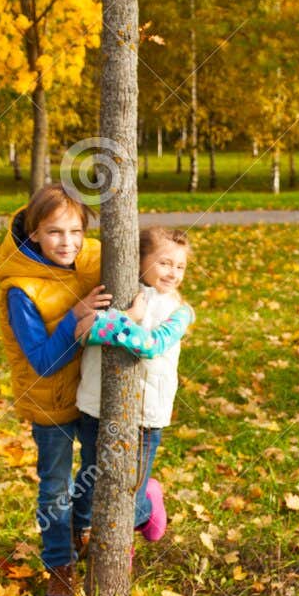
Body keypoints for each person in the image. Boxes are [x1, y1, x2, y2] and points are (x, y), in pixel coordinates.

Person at [0, 183, 110, 596]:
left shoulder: (92, 257)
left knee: (98, 469)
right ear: (35, 233)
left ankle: (80, 527)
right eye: (56, 232)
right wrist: (76, 319)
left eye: (76, 231)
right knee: (55, 486)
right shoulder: (20, 289)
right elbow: (41, 360)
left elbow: (147, 258)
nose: (69, 243)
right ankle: (60, 566)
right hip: (49, 399)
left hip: (93, 391)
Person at [72, 225, 196, 563]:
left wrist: (121, 322)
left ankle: (143, 512)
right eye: (164, 263)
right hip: (94, 405)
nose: (173, 272)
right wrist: (125, 317)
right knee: (90, 477)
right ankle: (79, 535)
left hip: (145, 415)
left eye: (180, 266)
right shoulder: (117, 291)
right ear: (138, 260)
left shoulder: (180, 312)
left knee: (129, 491)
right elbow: (82, 335)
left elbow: (150, 345)